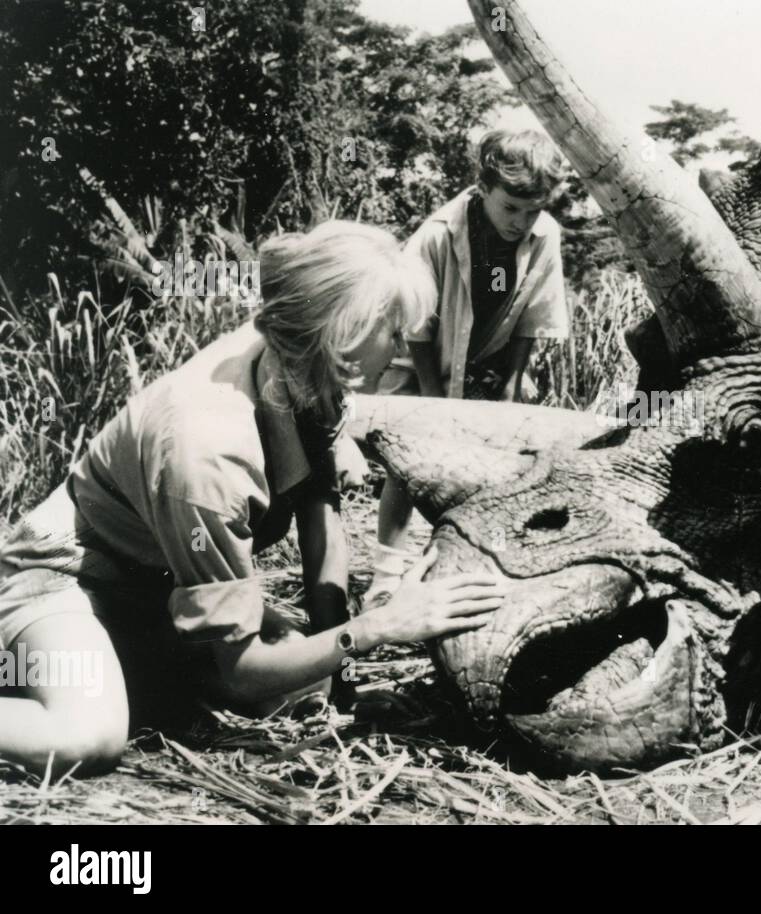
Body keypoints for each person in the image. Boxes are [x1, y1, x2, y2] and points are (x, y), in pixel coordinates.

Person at [0, 221, 505, 775]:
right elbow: (244, 668)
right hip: (67, 580)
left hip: (156, 588)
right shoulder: (208, 449)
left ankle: (140, 668)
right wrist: (375, 629)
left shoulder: (305, 363)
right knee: (86, 737)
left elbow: (322, 519)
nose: (405, 347)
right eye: (392, 330)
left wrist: (342, 681)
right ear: (344, 334)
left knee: (305, 679)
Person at [366, 128, 570, 600]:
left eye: (533, 210)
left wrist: (510, 389)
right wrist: (436, 399)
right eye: (510, 208)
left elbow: (534, 319)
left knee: (493, 459)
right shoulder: (440, 234)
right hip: (419, 356)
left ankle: (474, 568)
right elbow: (415, 322)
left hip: (490, 355)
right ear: (483, 188)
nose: (521, 222)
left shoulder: (545, 237)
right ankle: (385, 576)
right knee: (408, 461)